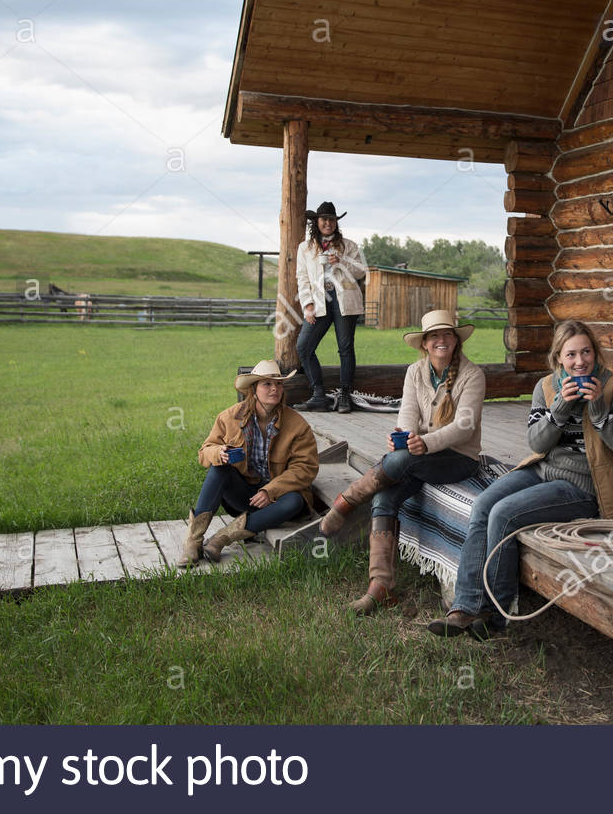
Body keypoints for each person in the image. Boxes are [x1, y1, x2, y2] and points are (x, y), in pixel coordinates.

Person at [430, 320, 613, 639]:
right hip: (543, 469)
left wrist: (599, 410)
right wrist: (559, 409)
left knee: (504, 514)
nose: (580, 361)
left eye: (586, 352)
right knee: (484, 504)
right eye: (571, 355)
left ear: (595, 353)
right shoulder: (546, 387)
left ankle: (495, 614)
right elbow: (537, 443)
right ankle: (464, 606)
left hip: (586, 485)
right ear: (558, 358)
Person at [319, 310, 486, 614]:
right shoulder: (415, 372)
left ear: (456, 340)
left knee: (399, 463)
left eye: (447, 334)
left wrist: (424, 443)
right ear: (424, 343)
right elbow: (407, 414)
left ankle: (347, 501)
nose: (441, 340)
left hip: (459, 458)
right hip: (420, 456)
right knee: (385, 493)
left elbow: (465, 426)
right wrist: (404, 437)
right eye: (434, 336)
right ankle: (380, 586)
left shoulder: (472, 374)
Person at [179, 360, 319, 566]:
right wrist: (219, 453)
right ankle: (193, 541)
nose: (275, 389)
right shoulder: (229, 417)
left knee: (295, 501)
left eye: (278, 384)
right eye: (267, 384)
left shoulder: (297, 424)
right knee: (219, 470)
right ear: (253, 390)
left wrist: (271, 490)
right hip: (244, 496)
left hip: (276, 500)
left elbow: (305, 468)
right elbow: (204, 453)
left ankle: (221, 539)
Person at [294, 201, 367, 414]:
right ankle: (318, 396)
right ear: (317, 222)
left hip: (345, 298)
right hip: (319, 300)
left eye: (332, 220)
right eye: (324, 219)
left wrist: (341, 261)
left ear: (336, 222)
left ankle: (345, 395)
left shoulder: (349, 246)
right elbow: (302, 277)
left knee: (345, 348)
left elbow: (361, 271)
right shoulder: (305, 248)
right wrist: (307, 305)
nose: (328, 223)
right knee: (304, 346)